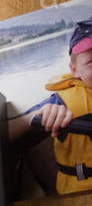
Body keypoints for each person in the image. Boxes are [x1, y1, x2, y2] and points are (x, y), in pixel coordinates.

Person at [7, 18, 92, 193]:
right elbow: (1, 132)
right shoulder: (61, 102)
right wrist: (35, 116)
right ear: (74, 70)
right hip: (81, 194)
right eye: (91, 62)